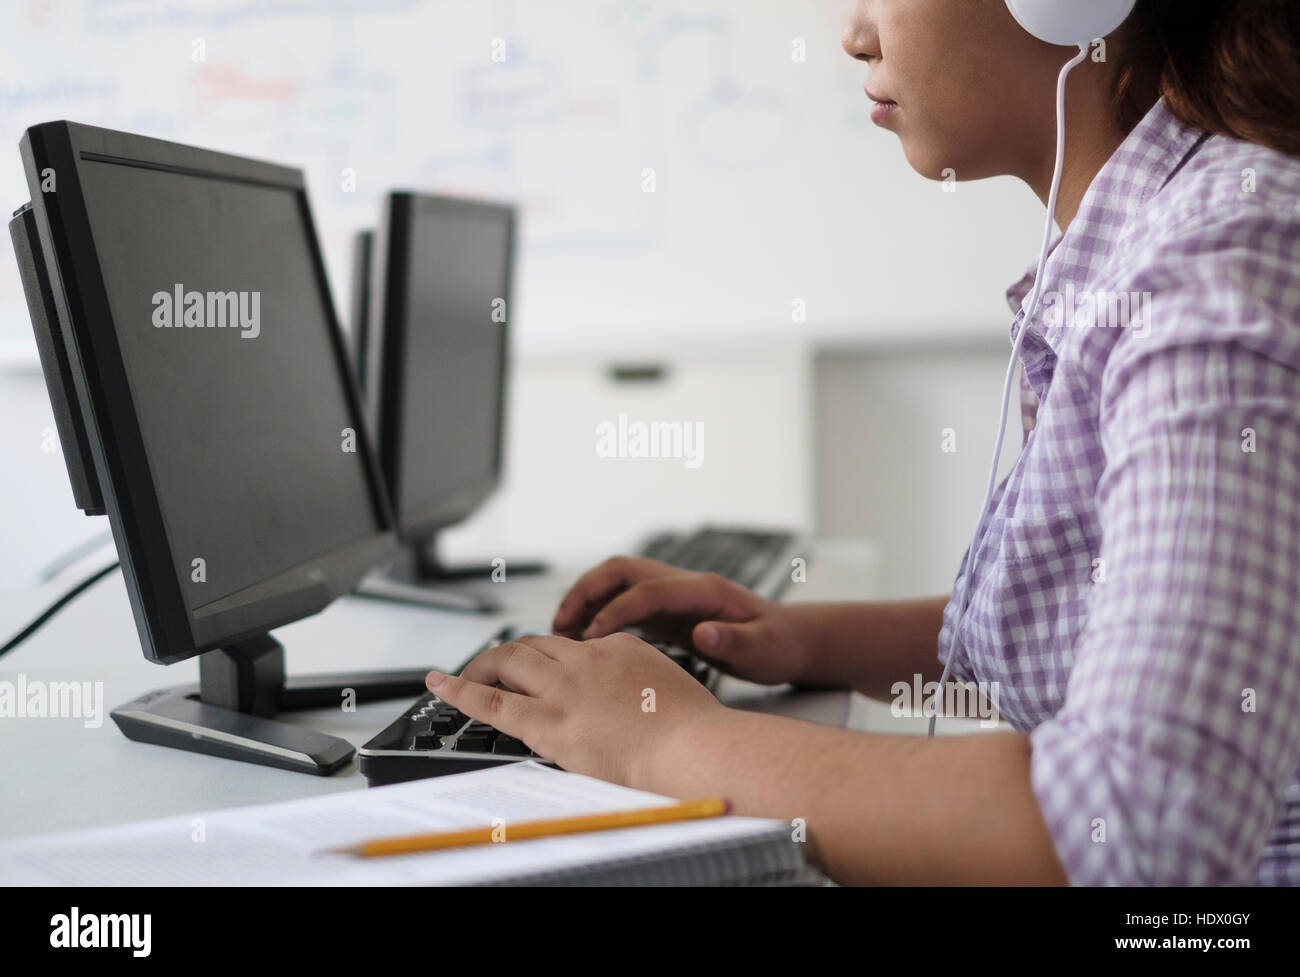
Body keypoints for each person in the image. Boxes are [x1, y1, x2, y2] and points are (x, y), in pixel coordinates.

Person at [425, 0, 1300, 884]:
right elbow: (1098, 632)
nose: (852, 34)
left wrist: (668, 741)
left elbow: (1142, 824)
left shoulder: (1211, 277)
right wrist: (802, 639)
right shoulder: (1148, 248)